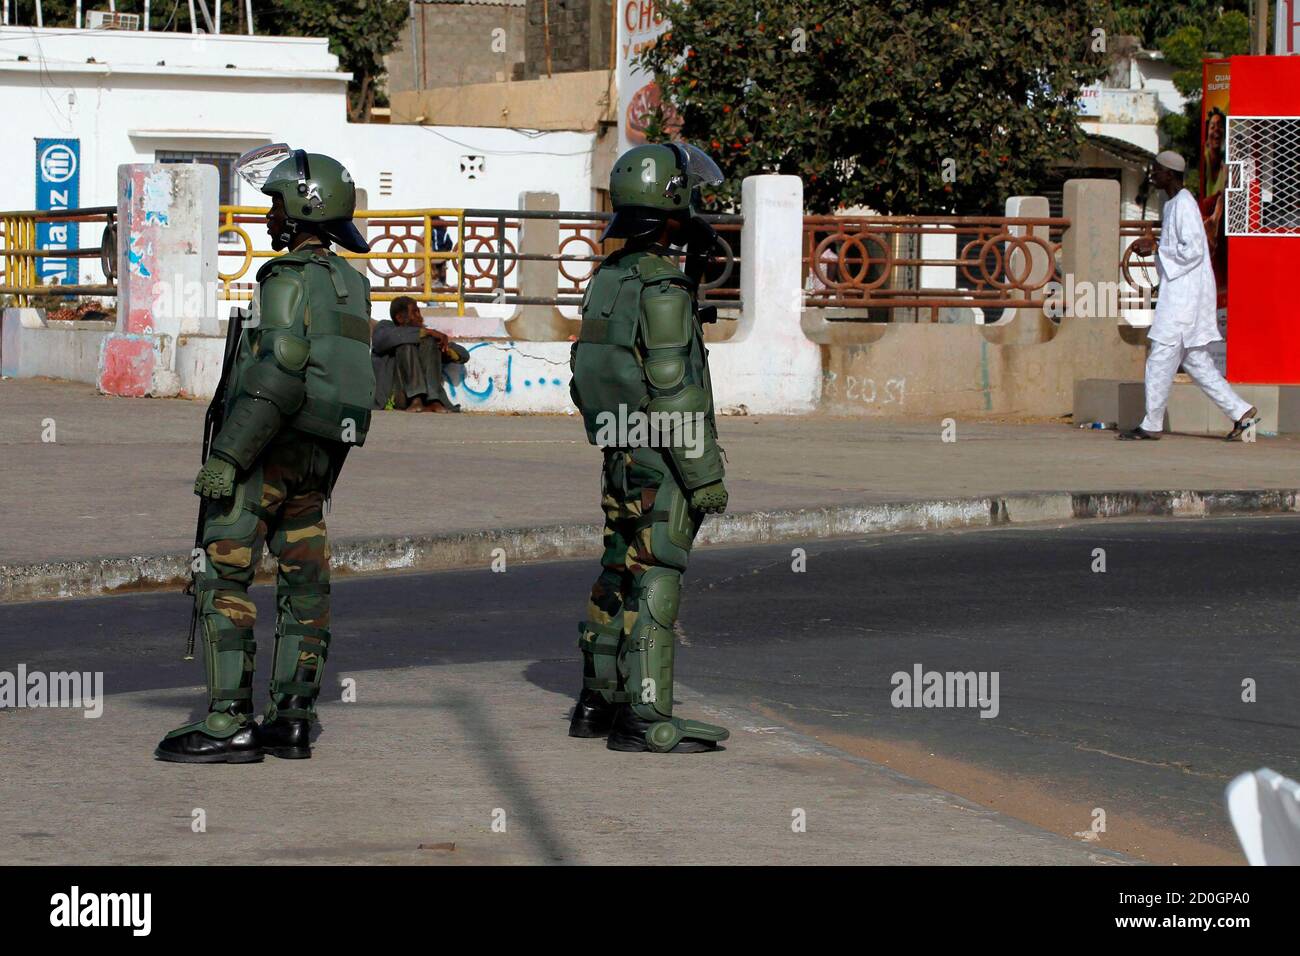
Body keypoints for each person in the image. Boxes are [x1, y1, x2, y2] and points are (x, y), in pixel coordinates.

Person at [155, 145, 376, 763]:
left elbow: (278, 371)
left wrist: (228, 455)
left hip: (267, 450)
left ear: (305, 207)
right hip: (318, 457)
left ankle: (229, 722)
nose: (269, 214)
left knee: (222, 575)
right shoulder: (351, 284)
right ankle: (293, 719)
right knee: (305, 586)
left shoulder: (284, 279)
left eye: (275, 202)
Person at [566, 142, 731, 753]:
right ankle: (647, 715)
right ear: (672, 200)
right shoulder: (662, 289)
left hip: (620, 447)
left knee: (617, 566)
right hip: (661, 452)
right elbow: (675, 393)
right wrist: (706, 477)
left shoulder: (608, 279)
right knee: (658, 567)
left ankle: (597, 699)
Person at [1120, 150, 1257, 442]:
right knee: (1196, 362)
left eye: (1156, 171)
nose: (1153, 175)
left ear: (1169, 173)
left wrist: (1156, 249)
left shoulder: (1184, 205)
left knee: (1160, 357)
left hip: (1186, 299)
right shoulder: (1173, 205)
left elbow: (1193, 251)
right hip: (1180, 294)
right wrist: (1157, 246)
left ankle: (1152, 424)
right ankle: (1241, 412)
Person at [371, 295, 469, 413]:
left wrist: (445, 349)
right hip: (399, 395)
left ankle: (433, 400)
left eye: (419, 312)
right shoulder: (386, 327)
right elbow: (383, 340)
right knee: (406, 345)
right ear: (400, 318)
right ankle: (415, 399)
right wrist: (427, 332)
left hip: (427, 397)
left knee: (429, 341)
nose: (419, 317)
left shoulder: (429, 337)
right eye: (415, 312)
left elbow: (464, 355)